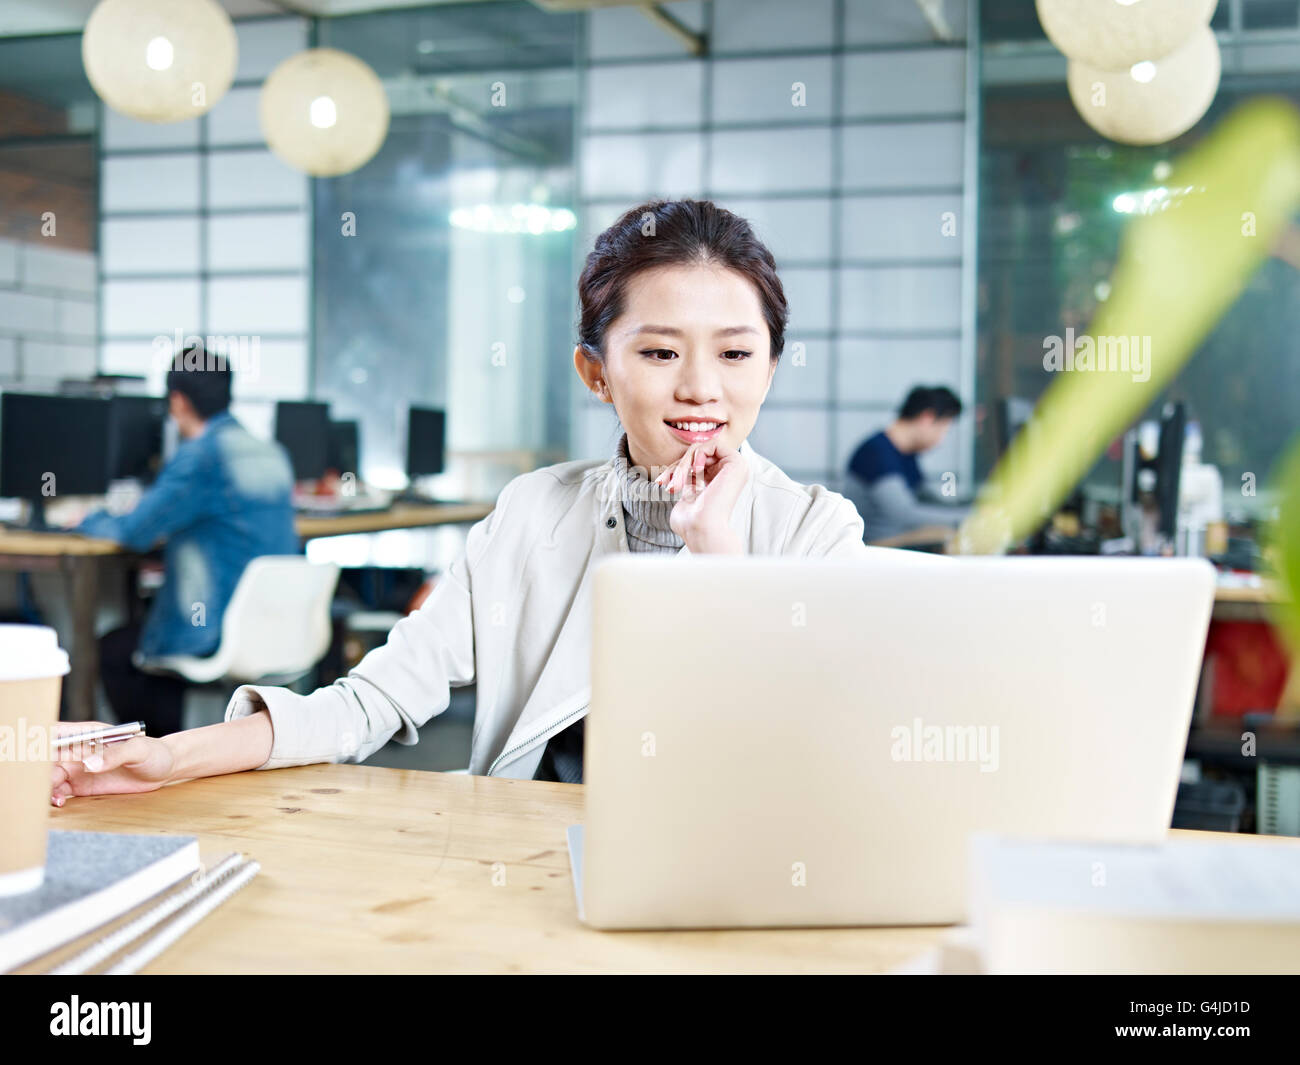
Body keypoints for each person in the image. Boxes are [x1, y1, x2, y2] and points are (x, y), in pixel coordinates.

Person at [50, 198, 907, 803]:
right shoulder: (535, 511)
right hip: (524, 864)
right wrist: (174, 757)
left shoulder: (817, 531)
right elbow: (375, 698)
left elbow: (810, 766)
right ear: (596, 371)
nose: (700, 388)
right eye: (658, 353)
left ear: (770, 367)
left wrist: (718, 561)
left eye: (735, 353)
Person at [73, 347, 299, 737]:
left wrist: (85, 518)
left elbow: (135, 531)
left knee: (116, 650)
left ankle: (159, 751)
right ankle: (173, 751)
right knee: (143, 635)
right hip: (274, 622)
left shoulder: (202, 457)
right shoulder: (272, 452)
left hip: (212, 628)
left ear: (177, 401)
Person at [845, 385, 970, 543]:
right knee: (948, 535)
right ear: (927, 418)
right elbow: (904, 514)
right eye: (944, 429)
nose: (942, 439)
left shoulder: (905, 453)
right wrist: (967, 518)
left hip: (897, 537)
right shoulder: (876, 452)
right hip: (876, 544)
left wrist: (968, 508)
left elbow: (926, 498)